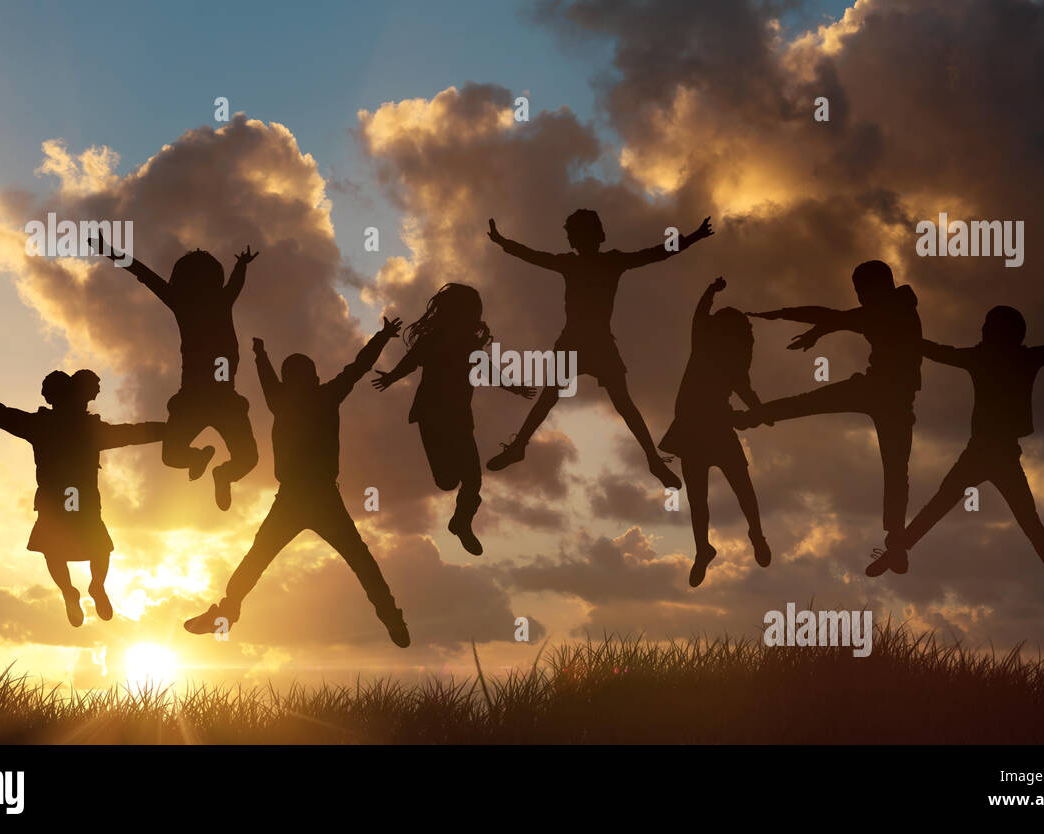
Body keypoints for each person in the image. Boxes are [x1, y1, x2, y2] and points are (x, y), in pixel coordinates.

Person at [864, 305, 1044, 624]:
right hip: (993, 453)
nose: (982, 330)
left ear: (1001, 332)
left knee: (942, 508)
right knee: (1027, 524)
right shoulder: (1022, 358)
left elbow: (934, 350)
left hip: (990, 453)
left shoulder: (988, 358)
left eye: (987, 326)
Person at [184, 320, 411, 647]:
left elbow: (275, 377)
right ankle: (391, 618)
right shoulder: (322, 395)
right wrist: (381, 337)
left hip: (302, 498)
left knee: (259, 558)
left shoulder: (287, 399)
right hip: (310, 497)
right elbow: (356, 367)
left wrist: (260, 354)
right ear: (313, 377)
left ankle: (226, 612)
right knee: (358, 562)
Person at [484, 210, 714, 489]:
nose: (577, 240)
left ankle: (653, 460)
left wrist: (693, 237)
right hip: (579, 342)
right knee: (559, 398)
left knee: (615, 403)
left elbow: (656, 253)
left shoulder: (603, 262)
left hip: (595, 343)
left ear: (593, 237)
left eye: (579, 235)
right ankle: (519, 446)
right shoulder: (590, 262)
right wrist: (502, 241)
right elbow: (533, 255)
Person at [0, 370, 164, 626]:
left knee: (65, 550)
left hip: (61, 502)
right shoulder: (76, 428)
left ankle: (77, 589)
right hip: (74, 502)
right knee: (90, 548)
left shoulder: (45, 425)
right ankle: (84, 588)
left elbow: (3, 414)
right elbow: (133, 433)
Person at [735, 260, 922, 544]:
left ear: (882, 286)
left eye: (863, 290)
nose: (860, 297)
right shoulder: (885, 308)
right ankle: (752, 417)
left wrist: (783, 314)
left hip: (890, 396)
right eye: (857, 291)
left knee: (895, 467)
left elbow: (834, 316)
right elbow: (840, 319)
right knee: (810, 403)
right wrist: (816, 332)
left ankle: (895, 533)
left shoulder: (894, 311)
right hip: (878, 389)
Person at [91, 233, 259, 511]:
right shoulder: (200, 301)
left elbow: (142, 272)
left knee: (221, 457)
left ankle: (220, 472)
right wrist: (241, 265)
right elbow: (143, 273)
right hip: (208, 398)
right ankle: (204, 462)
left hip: (210, 398)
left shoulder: (201, 300)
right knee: (188, 456)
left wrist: (242, 266)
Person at [372, 283, 534, 555]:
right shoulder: (433, 340)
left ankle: (461, 523)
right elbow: (411, 362)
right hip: (431, 416)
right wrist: (390, 377)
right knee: (447, 482)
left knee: (473, 479)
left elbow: (489, 371)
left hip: (460, 419)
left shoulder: (471, 346)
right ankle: (456, 502)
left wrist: (514, 387)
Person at [660, 277, 770, 586]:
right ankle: (705, 549)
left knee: (733, 489)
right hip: (695, 427)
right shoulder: (709, 345)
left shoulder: (719, 352)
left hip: (711, 426)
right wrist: (710, 291)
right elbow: (700, 317)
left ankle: (753, 535)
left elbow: (745, 389)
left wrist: (761, 411)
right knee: (707, 495)